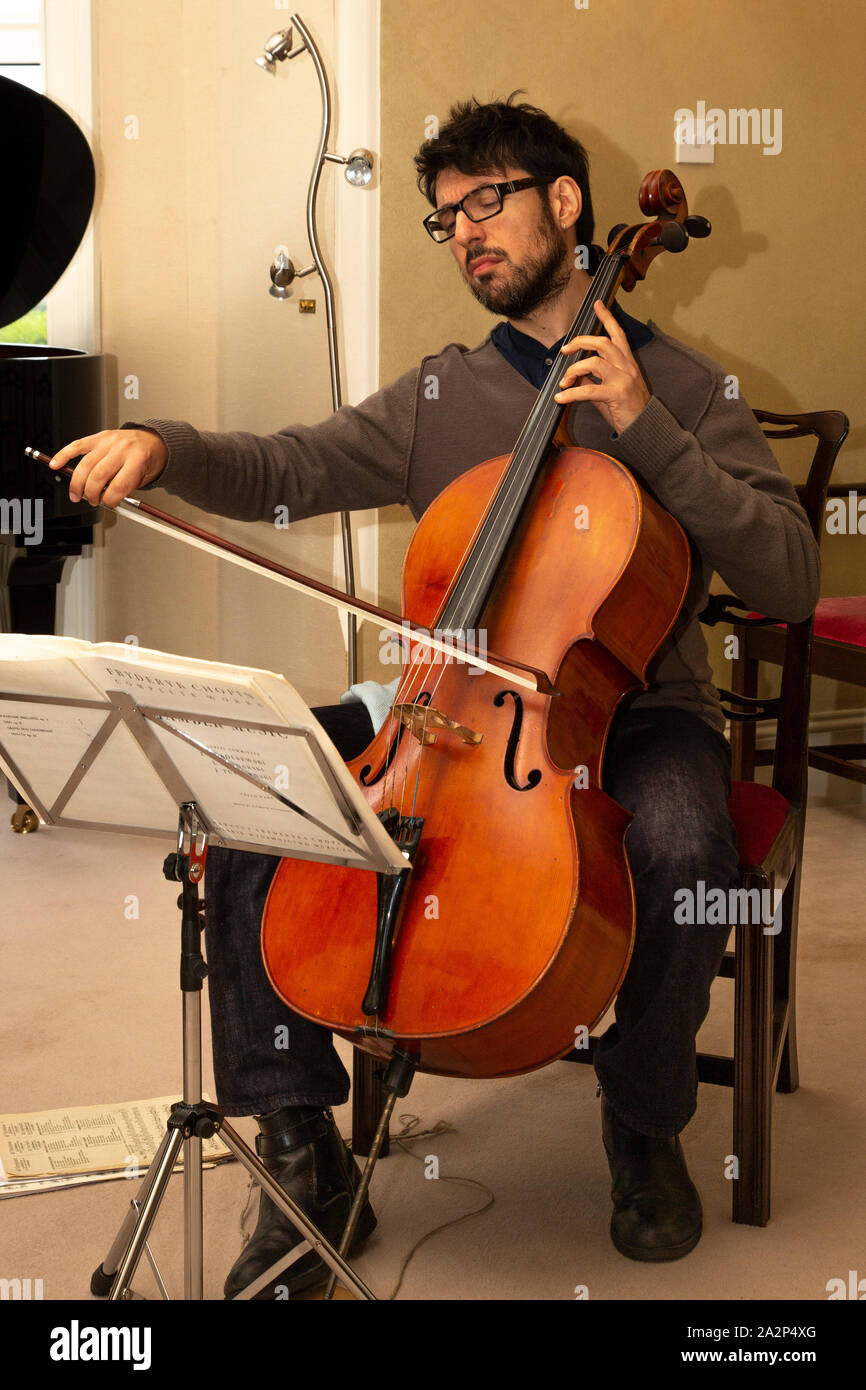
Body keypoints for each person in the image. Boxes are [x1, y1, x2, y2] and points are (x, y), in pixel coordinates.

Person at [51, 96, 820, 1296]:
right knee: (263, 791)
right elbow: (283, 467)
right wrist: (162, 442)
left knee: (683, 839)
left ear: (566, 206)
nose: (465, 233)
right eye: (444, 217)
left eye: (488, 202)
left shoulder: (687, 386)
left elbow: (787, 570)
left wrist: (643, 428)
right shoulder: (438, 394)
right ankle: (301, 1149)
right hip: (451, 708)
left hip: (637, 706)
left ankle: (642, 1114)